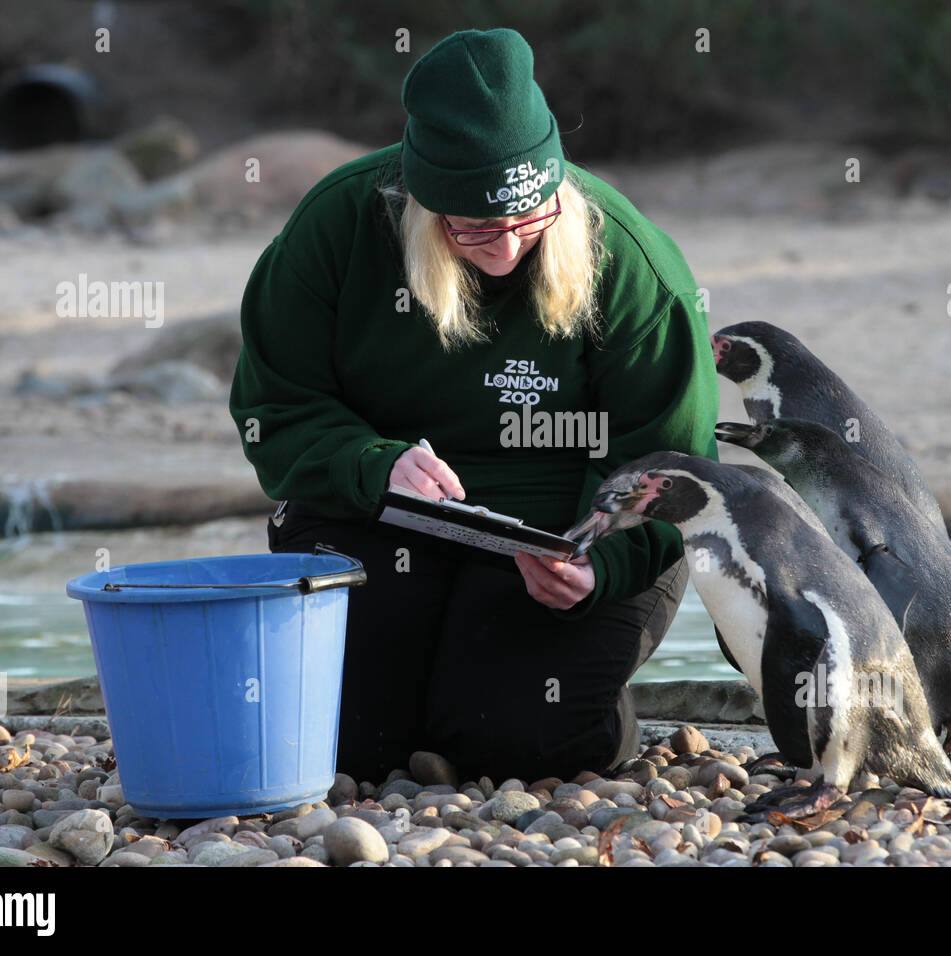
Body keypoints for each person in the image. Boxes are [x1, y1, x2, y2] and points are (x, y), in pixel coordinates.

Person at [229, 28, 717, 785]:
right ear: (420, 203)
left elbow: (673, 465)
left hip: (568, 530)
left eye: (531, 219)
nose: (508, 249)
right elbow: (274, 411)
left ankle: (558, 692)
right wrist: (373, 463)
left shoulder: (632, 263)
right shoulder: (335, 225)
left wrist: (601, 561)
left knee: (525, 740)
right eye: (477, 228)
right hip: (380, 511)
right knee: (342, 741)